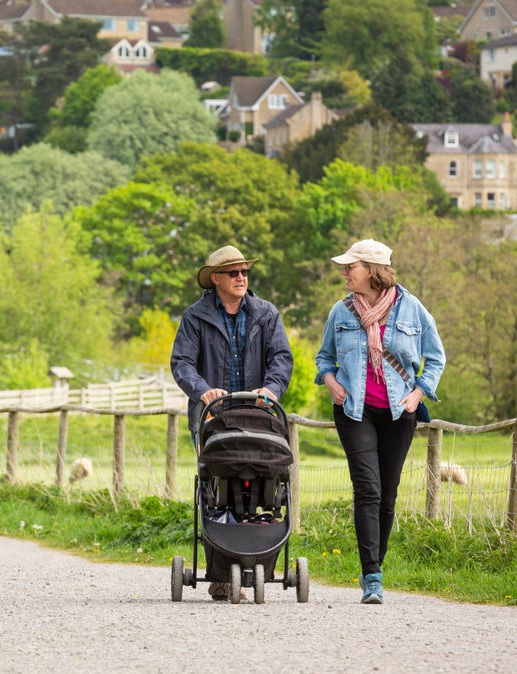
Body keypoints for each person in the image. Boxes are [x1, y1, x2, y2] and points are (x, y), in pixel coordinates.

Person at [314, 239, 445, 605]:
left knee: (388, 495)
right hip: (354, 412)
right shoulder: (341, 312)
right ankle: (372, 575)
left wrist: (418, 395)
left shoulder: (412, 309)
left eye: (349, 266)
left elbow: (435, 358)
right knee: (368, 490)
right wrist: (331, 383)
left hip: (398, 413)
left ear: (371, 270)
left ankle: (375, 566)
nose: (344, 272)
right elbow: (323, 357)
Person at [170, 245, 293, 600]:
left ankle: (258, 559)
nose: (241, 278)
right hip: (213, 414)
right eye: (233, 273)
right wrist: (204, 391)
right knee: (216, 488)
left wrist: (271, 388)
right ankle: (221, 575)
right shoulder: (195, 317)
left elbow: (281, 358)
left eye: (245, 272)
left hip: (257, 412)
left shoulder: (266, 314)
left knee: (261, 483)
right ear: (215, 279)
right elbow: (182, 363)